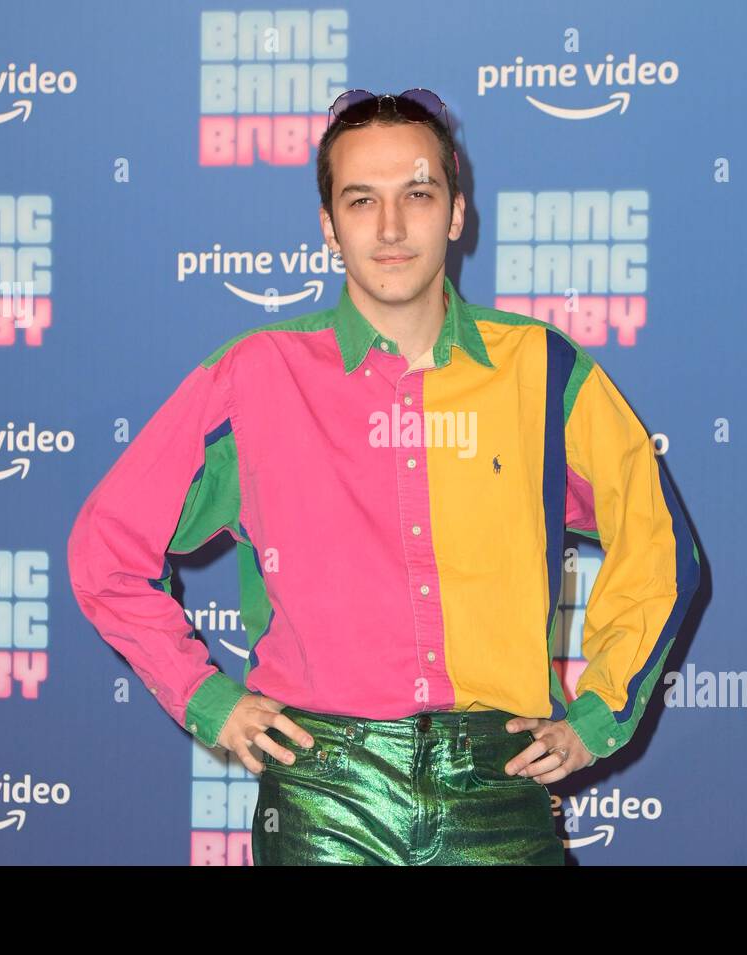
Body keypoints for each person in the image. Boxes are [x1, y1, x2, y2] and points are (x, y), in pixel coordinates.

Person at [67, 88, 701, 866]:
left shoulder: (541, 368)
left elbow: (656, 540)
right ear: (330, 226)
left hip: (499, 783)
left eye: (418, 195)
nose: (392, 227)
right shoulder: (255, 376)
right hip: (320, 794)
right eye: (362, 200)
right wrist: (206, 697)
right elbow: (107, 548)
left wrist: (598, 714)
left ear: (456, 212)